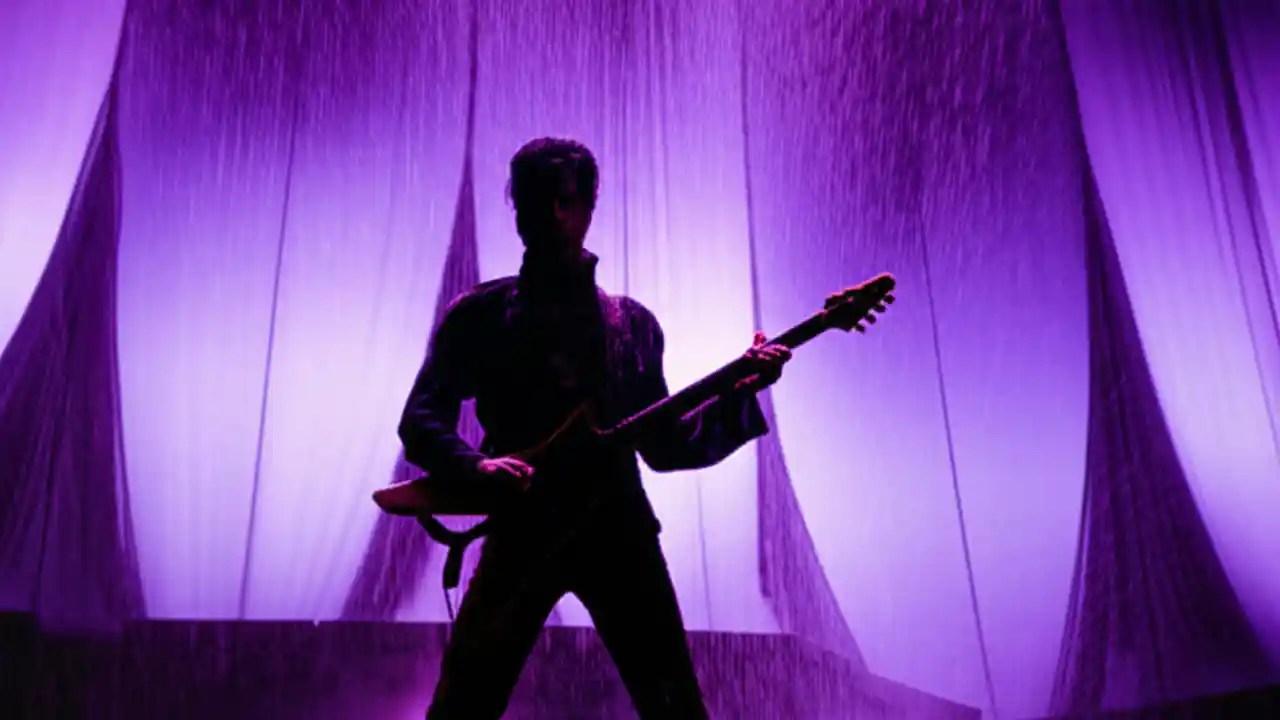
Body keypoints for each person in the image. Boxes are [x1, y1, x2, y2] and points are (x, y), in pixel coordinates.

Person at [397, 137, 791, 719]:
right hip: (523, 532)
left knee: (675, 707)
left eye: (561, 199)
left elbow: (665, 445)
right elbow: (420, 420)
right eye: (533, 199)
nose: (548, 213)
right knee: (462, 707)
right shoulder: (479, 315)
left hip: (618, 533)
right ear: (521, 208)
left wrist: (741, 393)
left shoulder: (630, 325)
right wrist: (476, 466)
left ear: (581, 207)